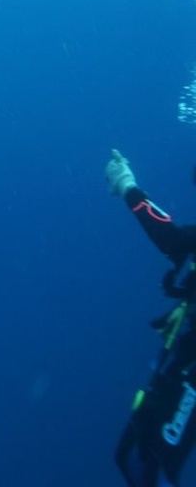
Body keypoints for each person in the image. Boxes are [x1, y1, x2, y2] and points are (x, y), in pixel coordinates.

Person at [107, 149, 196, 486]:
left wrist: (128, 186)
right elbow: (176, 240)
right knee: (138, 450)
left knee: (150, 450)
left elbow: (170, 237)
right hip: (184, 360)